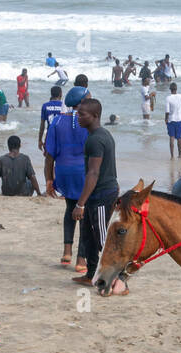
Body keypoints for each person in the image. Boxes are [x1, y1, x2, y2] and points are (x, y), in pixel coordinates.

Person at [72, 98, 126, 296]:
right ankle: (91, 274)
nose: (78, 117)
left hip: (102, 194)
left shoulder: (96, 139)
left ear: (95, 116)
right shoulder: (98, 135)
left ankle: (118, 281)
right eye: (78, 113)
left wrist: (80, 203)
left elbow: (93, 173)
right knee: (88, 237)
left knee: (103, 240)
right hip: (99, 192)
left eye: (82, 114)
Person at [45, 88, 88, 272]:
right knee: (85, 214)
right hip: (83, 173)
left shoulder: (57, 121)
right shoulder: (89, 121)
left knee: (70, 208)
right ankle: (81, 260)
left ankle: (66, 252)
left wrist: (48, 179)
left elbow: (49, 154)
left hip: (63, 171)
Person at [38, 85, 63, 155]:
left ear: (51, 94)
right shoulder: (64, 106)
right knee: (61, 157)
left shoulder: (45, 106)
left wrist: (40, 140)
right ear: (60, 94)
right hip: (61, 135)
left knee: (48, 158)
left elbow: (42, 124)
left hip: (49, 134)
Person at [164, 83, 181, 159]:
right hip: (179, 119)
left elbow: (167, 111)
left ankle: (172, 156)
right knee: (179, 138)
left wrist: (166, 119)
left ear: (170, 89)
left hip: (171, 120)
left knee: (171, 138)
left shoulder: (168, 98)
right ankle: (180, 154)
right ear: (176, 89)